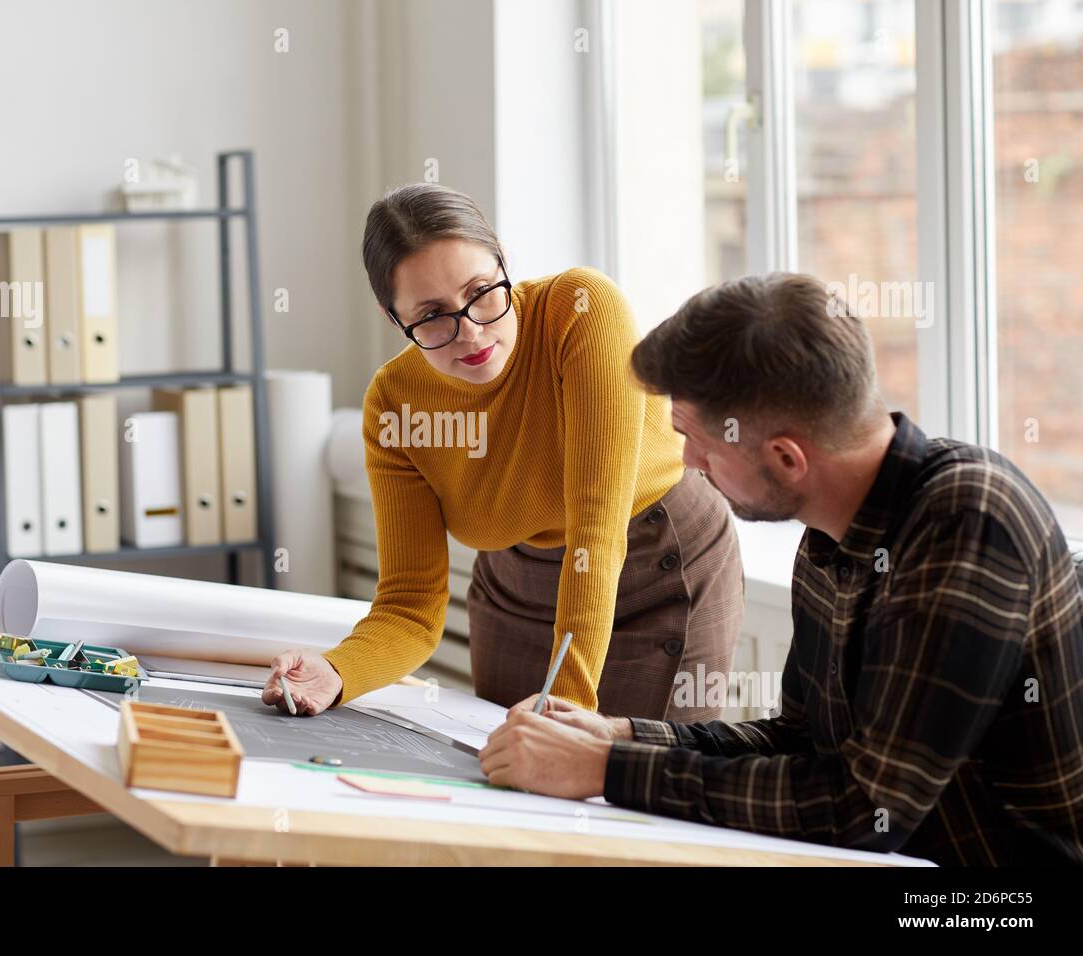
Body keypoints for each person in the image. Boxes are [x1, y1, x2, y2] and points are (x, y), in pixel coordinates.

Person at [479, 272, 1083, 865]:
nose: (688, 462)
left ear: (787, 458)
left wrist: (606, 771)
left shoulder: (969, 522)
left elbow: (863, 810)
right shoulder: (830, 529)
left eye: (699, 441)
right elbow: (801, 743)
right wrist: (619, 737)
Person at [262, 183, 743, 721]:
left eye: (482, 291)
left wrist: (567, 713)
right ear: (392, 317)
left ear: (503, 262)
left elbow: (596, 532)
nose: (470, 331)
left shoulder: (581, 311)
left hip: (652, 559)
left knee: (639, 786)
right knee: (501, 771)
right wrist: (337, 671)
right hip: (516, 585)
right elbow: (410, 607)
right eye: (431, 315)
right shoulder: (396, 405)